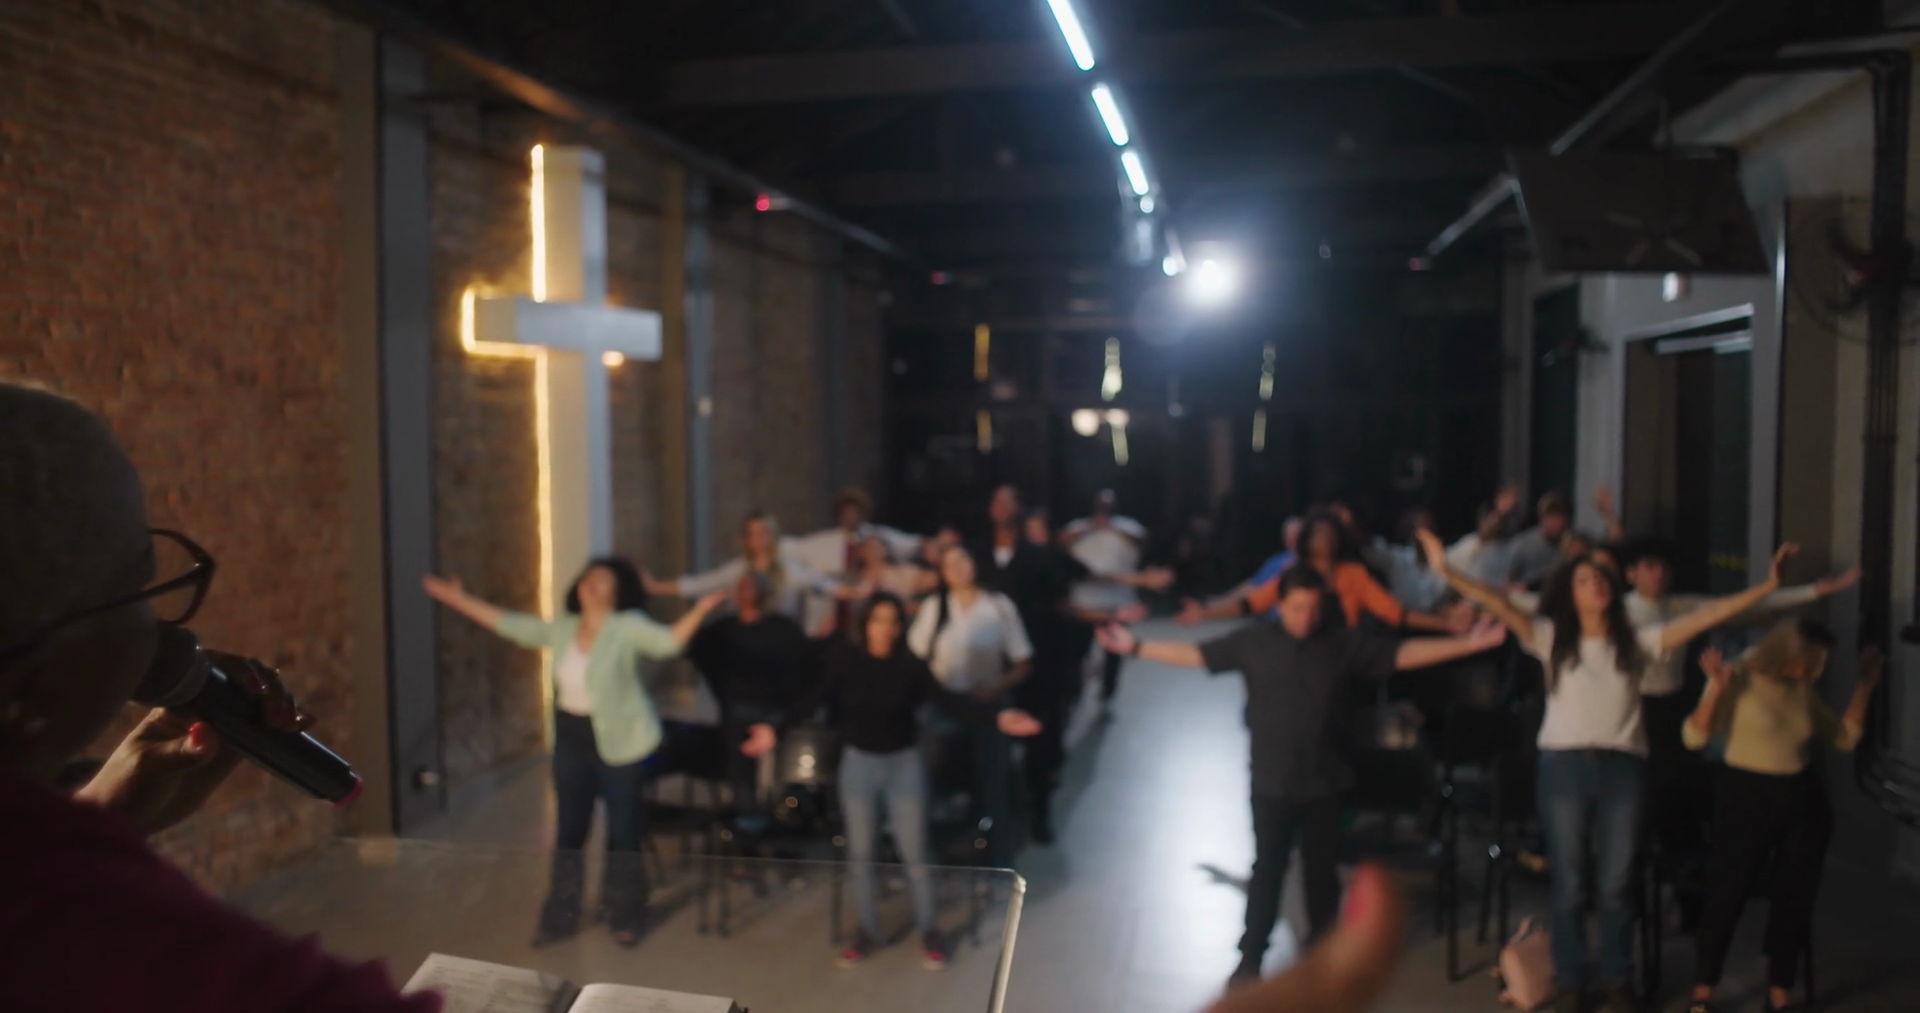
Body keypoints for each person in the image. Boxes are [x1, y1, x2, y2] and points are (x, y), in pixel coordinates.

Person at [0, 381, 438, 1012]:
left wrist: (102, 814)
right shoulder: (134, 950)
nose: (165, 631)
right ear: (31, 680)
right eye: (138, 588)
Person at [1417, 529, 1802, 1013]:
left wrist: (1768, 587)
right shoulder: (1551, 636)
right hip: (1564, 767)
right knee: (1571, 882)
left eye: (1601, 577)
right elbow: (1496, 601)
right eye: (1583, 579)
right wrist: (1445, 569)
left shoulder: (1637, 641)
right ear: (1569, 593)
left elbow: (1709, 615)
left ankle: (1619, 979)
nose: (1596, 584)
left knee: (1618, 882)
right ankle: (1573, 980)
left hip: (1623, 767)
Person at [1097, 565, 1507, 987]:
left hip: (1325, 783)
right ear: (1280, 605)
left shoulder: (1339, 644)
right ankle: (1250, 959)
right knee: (1267, 870)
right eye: (1296, 609)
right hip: (1272, 782)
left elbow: (1401, 656)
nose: (1305, 618)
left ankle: (1321, 958)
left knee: (1321, 877)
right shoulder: (1255, 642)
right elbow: (1198, 655)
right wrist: (1136, 647)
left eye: (1313, 609)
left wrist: (1465, 644)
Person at [423, 562, 725, 947]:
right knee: (570, 831)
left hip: (623, 740)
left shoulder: (626, 625)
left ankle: (627, 912)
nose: (591, 584)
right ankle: (560, 916)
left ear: (618, 592)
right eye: (587, 578)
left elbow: (668, 643)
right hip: (572, 736)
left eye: (602, 580)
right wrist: (458, 599)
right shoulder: (565, 628)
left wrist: (699, 611)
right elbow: (512, 625)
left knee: (625, 830)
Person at [740, 593, 1041, 970]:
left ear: (901, 627)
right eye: (878, 620)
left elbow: (951, 702)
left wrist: (997, 718)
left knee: (915, 855)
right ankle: (867, 931)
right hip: (859, 766)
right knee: (861, 856)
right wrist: (773, 729)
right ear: (865, 624)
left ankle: (930, 931)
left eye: (893, 621)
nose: (886, 629)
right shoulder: (846, 662)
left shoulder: (910, 666)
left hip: (904, 766)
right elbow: (810, 700)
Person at [1621, 541, 1859, 929]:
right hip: (1631, 709)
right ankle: (1630, 905)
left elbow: (1741, 606)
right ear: (1631, 572)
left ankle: (1690, 907)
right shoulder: (1619, 611)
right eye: (1648, 567)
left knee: (1678, 810)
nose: (1658, 574)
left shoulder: (1681, 605)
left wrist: (1814, 590)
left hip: (1671, 712)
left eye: (1662, 566)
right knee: (1634, 809)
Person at [1680, 626, 1881, 1013]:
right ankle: (1704, 988)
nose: (1815, 672)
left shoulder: (1801, 688)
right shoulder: (1737, 676)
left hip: (1800, 796)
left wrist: (1865, 685)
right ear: (1789, 654)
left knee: (1795, 898)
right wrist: (1716, 690)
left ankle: (1780, 990)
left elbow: (1843, 738)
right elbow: (1693, 737)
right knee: (1727, 893)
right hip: (1745, 795)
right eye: (1811, 662)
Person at [907, 543, 1033, 866]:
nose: (958, 568)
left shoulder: (998, 606)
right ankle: (930, 856)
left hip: (986, 703)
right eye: (949, 564)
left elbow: (1022, 660)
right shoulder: (935, 608)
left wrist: (996, 688)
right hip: (943, 704)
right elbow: (915, 658)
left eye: (963, 559)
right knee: (928, 779)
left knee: (993, 782)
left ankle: (999, 859)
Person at [684, 570, 817, 835]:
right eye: (740, 588)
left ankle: (788, 813)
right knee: (739, 761)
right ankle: (747, 816)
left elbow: (805, 664)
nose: (744, 594)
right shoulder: (724, 629)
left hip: (777, 709)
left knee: (785, 759)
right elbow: (692, 648)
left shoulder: (781, 628)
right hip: (737, 708)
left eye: (750, 588)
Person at [1187, 509, 1468, 634]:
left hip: (1342, 660)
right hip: (1298, 658)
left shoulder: (1354, 575)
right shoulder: (1292, 572)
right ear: (1307, 538)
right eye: (1319, 533)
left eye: (1331, 533)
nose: (1326, 539)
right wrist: (1207, 612)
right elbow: (1253, 602)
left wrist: (1447, 625)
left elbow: (1396, 614)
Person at [645, 511, 842, 635]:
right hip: (747, 637)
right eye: (752, 534)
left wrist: (857, 589)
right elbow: (699, 584)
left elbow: (826, 586)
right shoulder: (738, 569)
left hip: (781, 639)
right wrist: (655, 587)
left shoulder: (789, 569)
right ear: (745, 539)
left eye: (763, 533)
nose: (758, 540)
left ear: (772, 535)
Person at [784, 487, 923, 634]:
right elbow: (792, 548)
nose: (851, 516)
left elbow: (909, 543)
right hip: (830, 619)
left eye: (856, 512)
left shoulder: (877, 539)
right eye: (846, 512)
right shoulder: (824, 543)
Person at [1062, 489, 1152, 709]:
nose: (1104, 507)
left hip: (1118, 602)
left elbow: (1142, 540)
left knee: (1114, 651)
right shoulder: (1078, 526)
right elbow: (1060, 541)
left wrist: (1111, 527)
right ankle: (1075, 691)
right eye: (1100, 503)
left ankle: (1108, 692)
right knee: (1078, 651)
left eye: (1108, 504)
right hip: (1083, 602)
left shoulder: (1128, 526)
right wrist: (1092, 527)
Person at [1181, 516, 1304, 622]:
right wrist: (1213, 606)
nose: (1291, 541)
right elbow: (1252, 591)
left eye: (1296, 535)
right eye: (1288, 537)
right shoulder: (1278, 562)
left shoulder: (1309, 565)